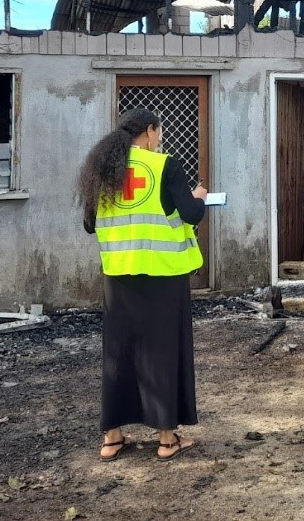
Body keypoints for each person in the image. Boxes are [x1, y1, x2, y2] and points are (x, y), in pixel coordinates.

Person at [78, 108, 207, 461]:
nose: (159, 139)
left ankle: (112, 438)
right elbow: (191, 214)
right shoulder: (165, 166)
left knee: (118, 353)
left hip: (119, 278)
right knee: (163, 352)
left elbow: (90, 224)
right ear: (150, 131)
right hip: (163, 276)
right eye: (158, 132)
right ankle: (166, 440)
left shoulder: (103, 169)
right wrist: (198, 196)